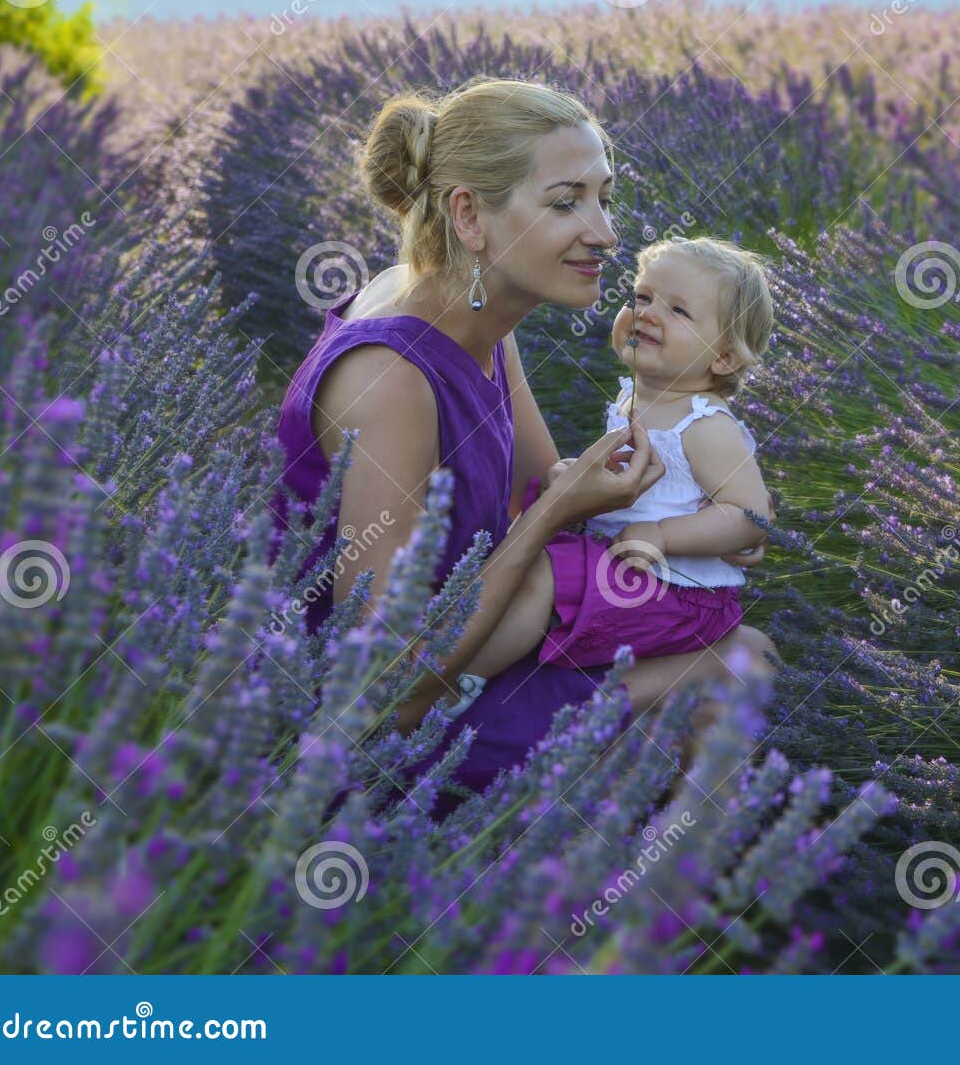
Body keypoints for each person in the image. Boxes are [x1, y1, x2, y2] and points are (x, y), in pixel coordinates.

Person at [270, 76, 773, 793]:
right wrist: (558, 510)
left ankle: (659, 888)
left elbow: (542, 487)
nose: (603, 233)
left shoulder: (477, 321)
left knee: (739, 653)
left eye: (604, 197)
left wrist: (704, 518)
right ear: (470, 217)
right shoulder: (393, 378)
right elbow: (377, 684)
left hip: (468, 642)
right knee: (733, 672)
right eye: (567, 202)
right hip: (365, 725)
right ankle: (644, 899)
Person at [443, 236, 774, 718]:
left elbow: (750, 515)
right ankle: (475, 666)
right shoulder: (633, 399)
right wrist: (577, 473)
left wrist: (663, 534)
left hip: (678, 593)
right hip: (631, 569)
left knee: (541, 576)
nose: (647, 313)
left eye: (678, 311)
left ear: (723, 358)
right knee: (522, 553)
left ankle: (453, 683)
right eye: (642, 297)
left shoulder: (706, 425)